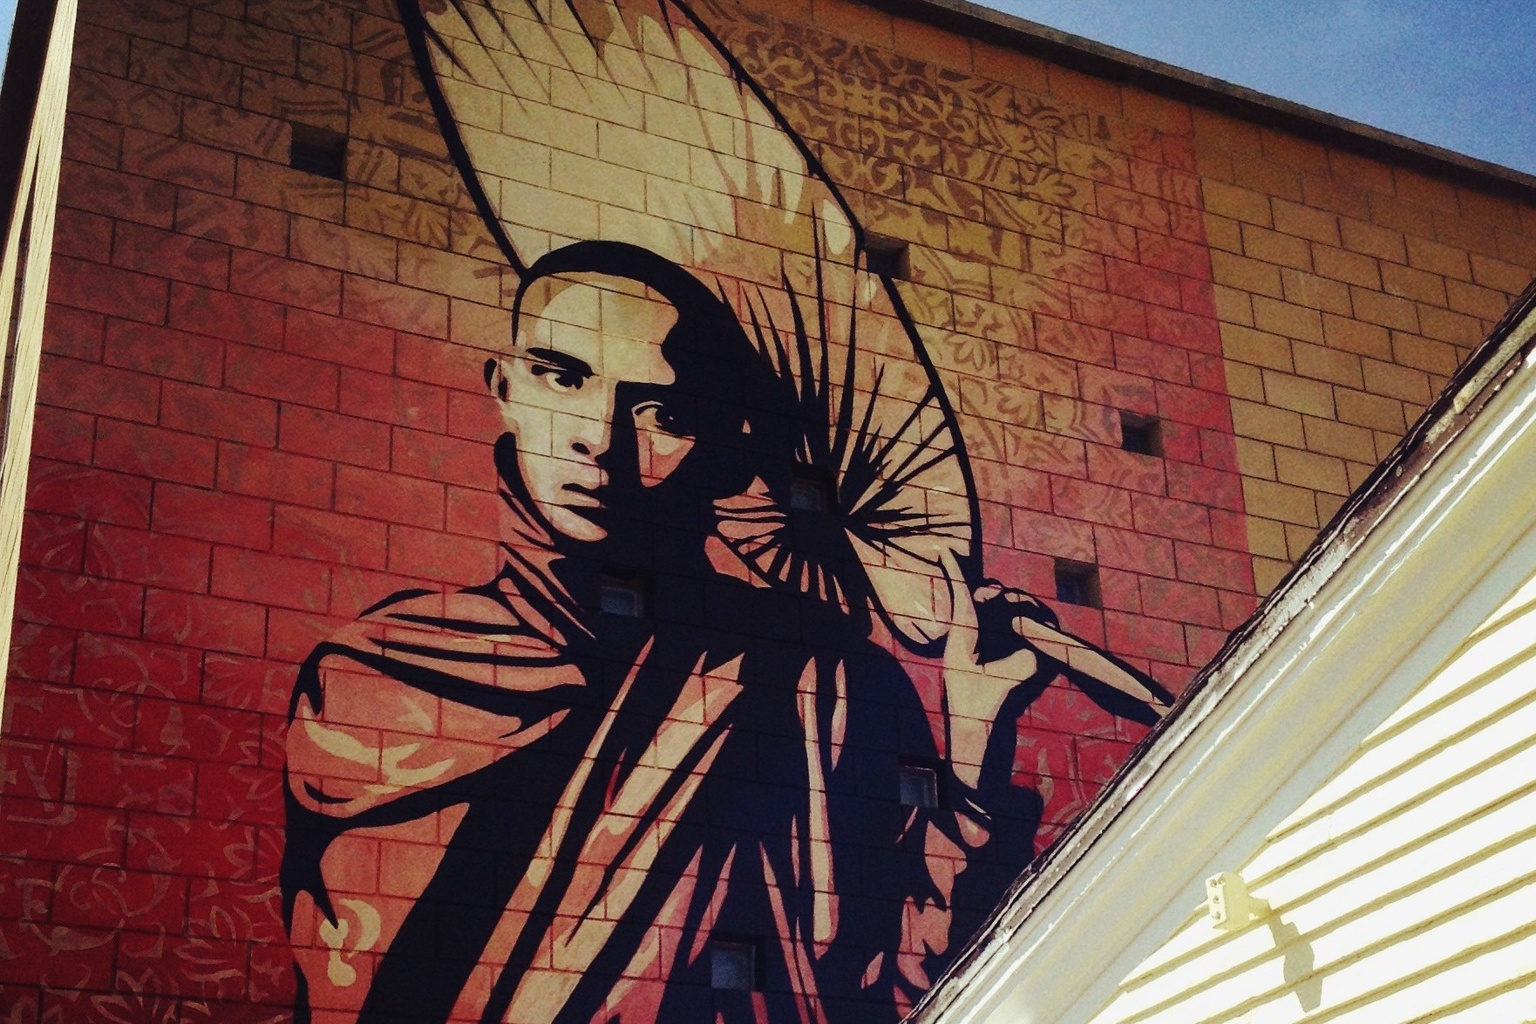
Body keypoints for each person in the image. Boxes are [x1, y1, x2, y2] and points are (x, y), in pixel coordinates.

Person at [283, 240, 1171, 1023]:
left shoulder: (821, 676)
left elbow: (904, 981)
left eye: (659, 412)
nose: (597, 437)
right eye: (562, 375)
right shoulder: (378, 675)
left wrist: (974, 725)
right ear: (503, 387)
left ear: (719, 444)